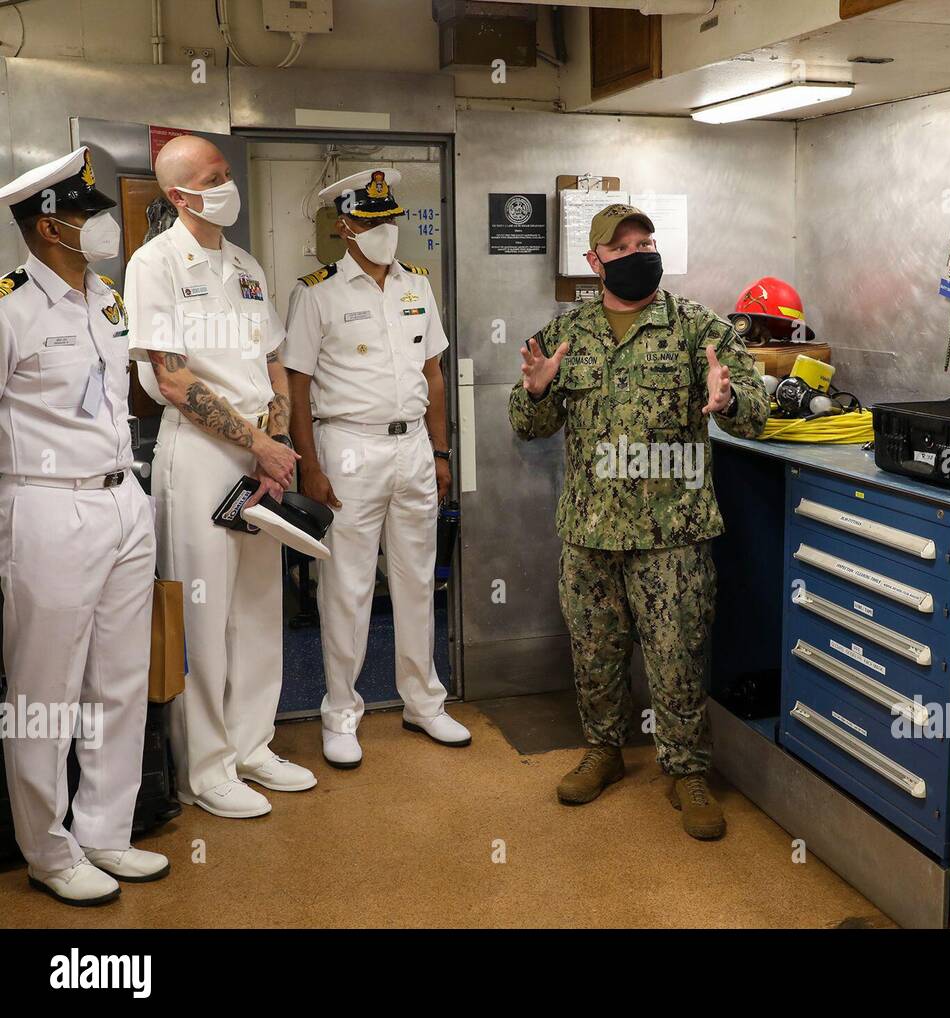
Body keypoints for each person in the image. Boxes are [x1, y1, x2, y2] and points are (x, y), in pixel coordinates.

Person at [508, 204, 768, 840]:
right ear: (594, 262)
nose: (637, 253)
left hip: (671, 533)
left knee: (678, 655)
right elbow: (527, 427)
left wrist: (728, 398)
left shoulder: (697, 329)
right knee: (595, 653)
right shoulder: (568, 331)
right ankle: (605, 752)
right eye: (621, 247)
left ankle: (686, 770)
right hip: (589, 531)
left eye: (645, 242)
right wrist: (538, 391)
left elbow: (755, 411)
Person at [125, 135, 316, 820]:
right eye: (213, 177)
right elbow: (172, 380)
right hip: (203, 455)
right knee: (204, 615)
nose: (227, 184)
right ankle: (205, 768)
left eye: (227, 172)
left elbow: (271, 361)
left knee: (261, 607)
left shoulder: (244, 264)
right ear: (180, 195)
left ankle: (252, 743)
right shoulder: (154, 264)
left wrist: (279, 442)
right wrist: (257, 442)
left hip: (260, 451)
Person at [0, 148, 168, 904]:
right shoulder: (7, 304)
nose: (103, 227)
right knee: (46, 689)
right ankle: (48, 849)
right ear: (49, 224)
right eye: (89, 215)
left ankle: (106, 830)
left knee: (120, 679)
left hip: (122, 496)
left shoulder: (107, 298)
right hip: (46, 503)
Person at [282, 167, 469, 768]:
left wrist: (441, 454)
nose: (384, 232)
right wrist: (310, 466)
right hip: (348, 449)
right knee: (348, 585)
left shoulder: (417, 285)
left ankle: (424, 703)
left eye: (389, 221)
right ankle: (340, 712)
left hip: (413, 447)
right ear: (345, 228)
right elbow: (297, 385)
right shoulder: (316, 293)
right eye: (370, 222)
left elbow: (432, 375)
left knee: (418, 579)